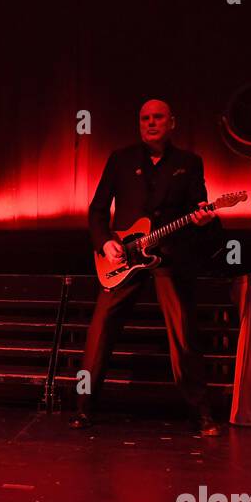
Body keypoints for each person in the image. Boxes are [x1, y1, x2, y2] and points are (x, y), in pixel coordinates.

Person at [72, 99, 221, 435]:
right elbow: (97, 210)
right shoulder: (120, 159)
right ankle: (83, 408)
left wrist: (202, 220)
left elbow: (200, 211)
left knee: (183, 335)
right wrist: (106, 243)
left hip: (169, 256)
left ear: (172, 122)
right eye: (145, 118)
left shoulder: (189, 163)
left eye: (158, 117)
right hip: (123, 257)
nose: (151, 123)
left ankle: (201, 415)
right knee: (99, 332)